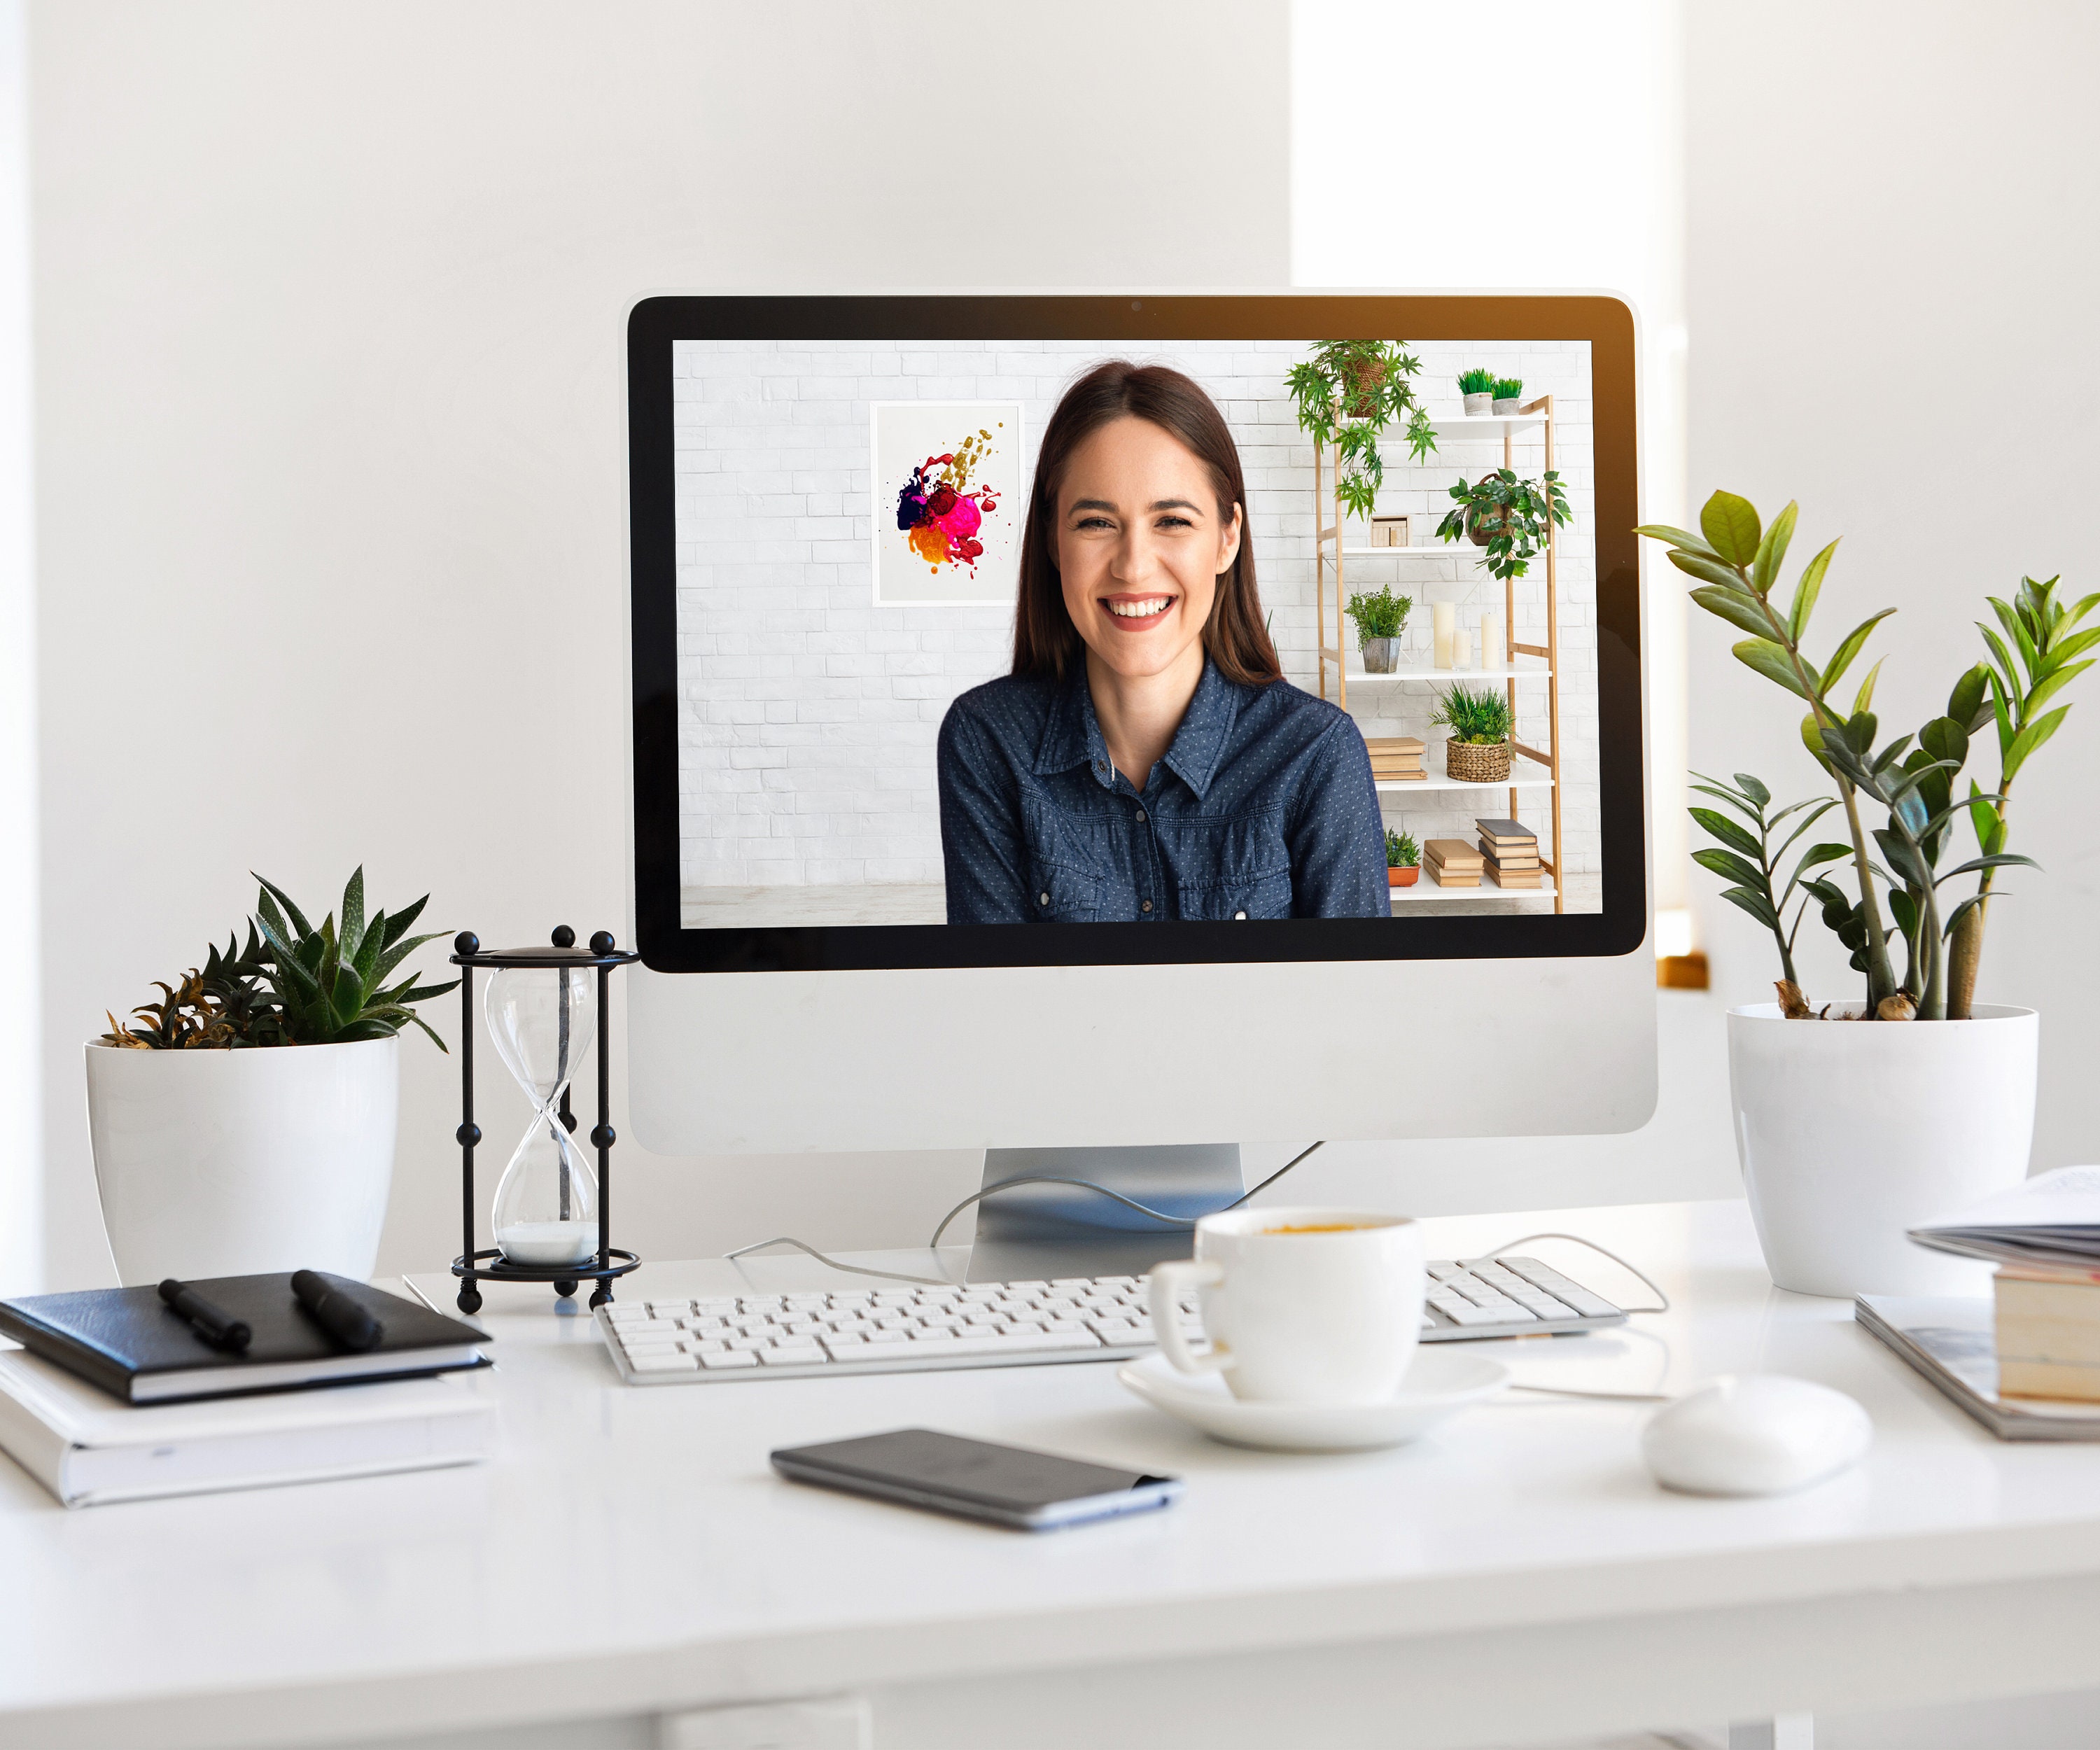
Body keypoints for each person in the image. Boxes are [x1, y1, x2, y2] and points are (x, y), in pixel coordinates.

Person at [937, 360, 1387, 924]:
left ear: (1227, 539)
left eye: (1172, 520)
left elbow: (1354, 1006)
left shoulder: (1318, 753)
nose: (1133, 567)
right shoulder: (986, 742)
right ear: (1054, 541)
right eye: (1097, 523)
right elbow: (993, 1006)